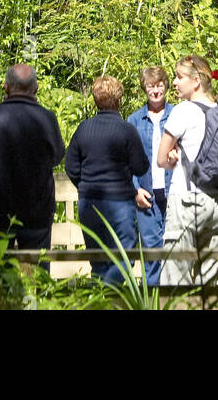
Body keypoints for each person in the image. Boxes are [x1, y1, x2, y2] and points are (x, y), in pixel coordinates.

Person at [0, 64, 65, 266]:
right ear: (36, 88)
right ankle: (32, 299)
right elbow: (57, 157)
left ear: (6, 87)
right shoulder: (47, 119)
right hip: (36, 212)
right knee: (35, 277)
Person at [157, 54, 218, 288]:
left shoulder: (183, 111)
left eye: (180, 77)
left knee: (175, 279)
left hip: (187, 202)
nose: (176, 83)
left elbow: (161, 159)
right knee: (211, 285)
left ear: (197, 81)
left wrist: (172, 157)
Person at [65, 75, 149, 283]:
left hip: (89, 204)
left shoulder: (83, 129)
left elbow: (71, 167)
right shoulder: (127, 130)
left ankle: (99, 298)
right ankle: (110, 295)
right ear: (119, 100)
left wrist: (85, 185)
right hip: (119, 202)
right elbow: (140, 167)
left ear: (95, 100)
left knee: (98, 259)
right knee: (122, 258)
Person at [127, 64, 174, 285]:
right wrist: (135, 190)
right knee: (151, 255)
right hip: (146, 195)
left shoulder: (177, 115)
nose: (155, 91)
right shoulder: (134, 121)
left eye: (159, 85)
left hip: (173, 193)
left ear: (166, 86)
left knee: (175, 255)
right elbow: (126, 162)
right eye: (150, 86)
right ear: (144, 89)